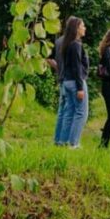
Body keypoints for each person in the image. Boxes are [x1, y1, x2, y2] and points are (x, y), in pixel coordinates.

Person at [55, 16, 89, 148]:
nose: (84, 28)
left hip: (67, 82)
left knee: (68, 112)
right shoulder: (75, 45)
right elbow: (76, 67)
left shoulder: (66, 44)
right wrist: (80, 88)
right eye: (82, 26)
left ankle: (62, 141)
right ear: (76, 28)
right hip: (76, 82)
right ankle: (74, 143)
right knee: (81, 113)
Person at [49, 18, 70, 146]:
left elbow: (49, 59)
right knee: (69, 111)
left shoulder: (58, 41)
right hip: (70, 79)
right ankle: (64, 140)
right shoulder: (71, 42)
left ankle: (57, 139)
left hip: (61, 78)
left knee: (62, 110)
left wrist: (58, 69)